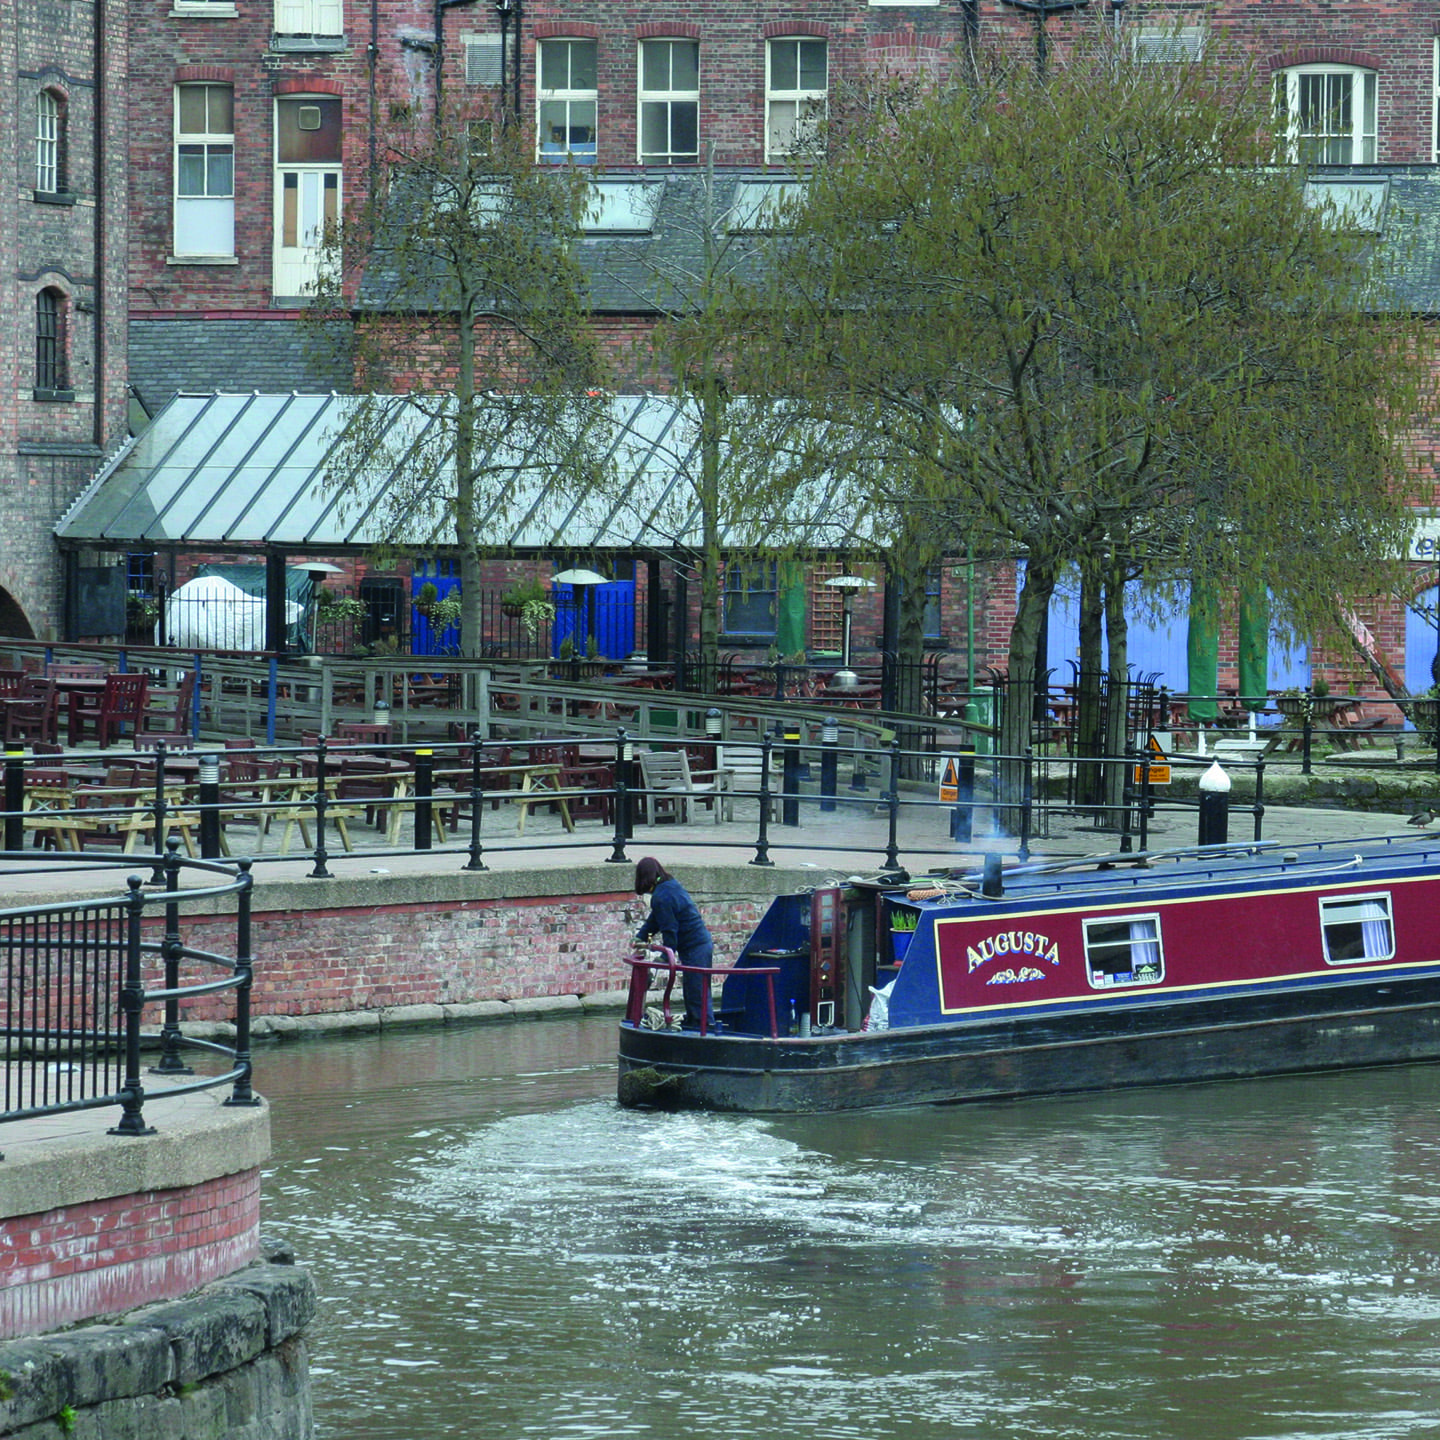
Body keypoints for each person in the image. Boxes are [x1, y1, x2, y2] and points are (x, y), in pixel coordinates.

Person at [634, 857, 715, 1030]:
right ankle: (697, 1023)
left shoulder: (661, 897)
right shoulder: (669, 885)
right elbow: (657, 918)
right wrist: (641, 936)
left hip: (696, 945)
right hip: (700, 942)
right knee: (694, 987)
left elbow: (670, 929)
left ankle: (703, 1027)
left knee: (697, 989)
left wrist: (665, 956)